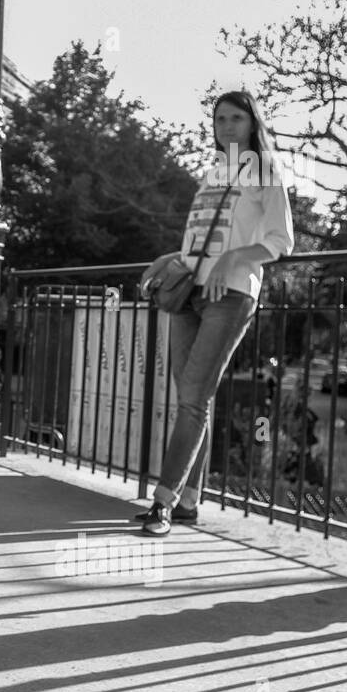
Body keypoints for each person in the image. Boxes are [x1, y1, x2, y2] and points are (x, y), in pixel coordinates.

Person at [135, 91, 295, 535]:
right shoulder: (212, 172)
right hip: (188, 292)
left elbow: (281, 242)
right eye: (220, 118)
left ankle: (162, 503)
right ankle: (188, 500)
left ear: (252, 123)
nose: (227, 125)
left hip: (231, 294)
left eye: (236, 118)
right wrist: (168, 259)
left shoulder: (266, 170)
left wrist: (235, 259)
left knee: (191, 400)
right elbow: (204, 238)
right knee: (192, 400)